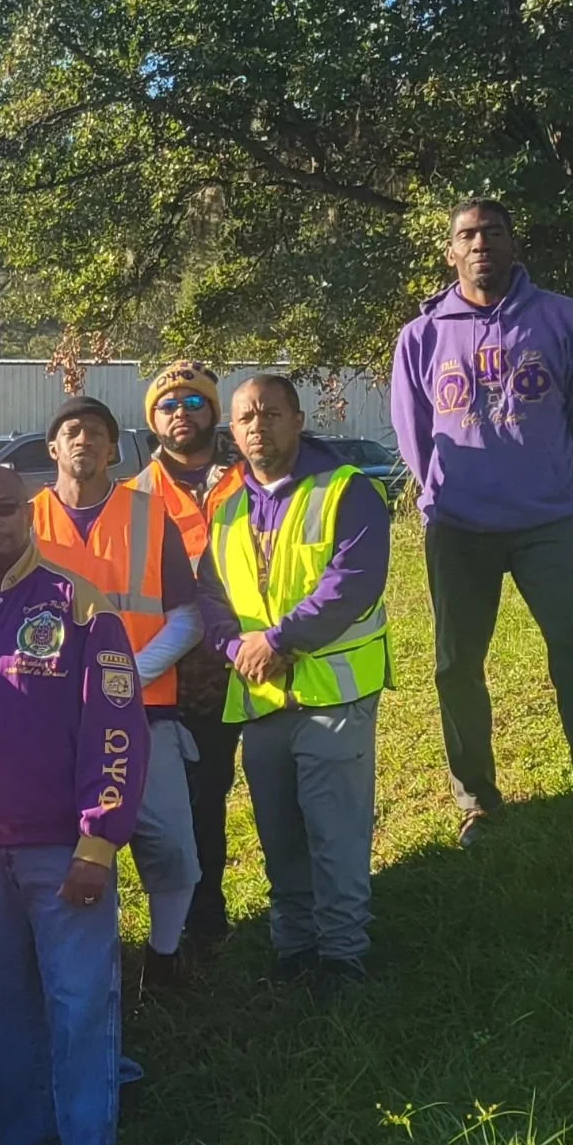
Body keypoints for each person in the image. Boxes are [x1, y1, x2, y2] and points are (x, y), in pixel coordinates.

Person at [0, 466, 148, 1145]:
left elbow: (117, 732)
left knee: (79, 1004)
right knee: (1, 1007)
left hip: (62, 853)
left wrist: (98, 842)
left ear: (28, 515)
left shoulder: (79, 607)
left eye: (3, 509)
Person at [199, 376, 392, 992]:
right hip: (262, 699)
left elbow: (353, 581)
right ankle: (294, 948)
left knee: (335, 835)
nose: (258, 425)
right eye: (246, 417)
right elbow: (211, 599)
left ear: (298, 419)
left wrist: (278, 641)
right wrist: (238, 648)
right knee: (279, 837)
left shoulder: (346, 490)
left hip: (335, 696)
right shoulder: (227, 508)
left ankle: (342, 955)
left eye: (271, 413)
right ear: (234, 432)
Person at [391, 198, 573, 848]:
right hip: (460, 527)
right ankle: (478, 801)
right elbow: (413, 434)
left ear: (513, 242)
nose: (480, 244)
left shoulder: (560, 318)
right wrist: (445, 495)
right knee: (455, 665)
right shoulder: (422, 336)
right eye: (467, 235)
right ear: (450, 252)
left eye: (493, 232)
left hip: (552, 521)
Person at [31, 397, 204, 984]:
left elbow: (187, 617)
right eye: (71, 430)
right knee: (67, 852)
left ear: (113, 449)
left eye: (96, 432)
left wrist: (125, 680)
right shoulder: (23, 520)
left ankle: (164, 956)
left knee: (172, 847)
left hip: (145, 715)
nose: (83, 439)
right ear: (53, 448)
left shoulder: (151, 516)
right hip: (53, 724)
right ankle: (83, 964)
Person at [132, 363, 247, 941]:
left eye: (195, 402)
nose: (182, 412)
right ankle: (200, 925)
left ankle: (299, 912)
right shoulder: (133, 497)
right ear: (153, 419)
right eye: (169, 404)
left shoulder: (251, 478)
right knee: (196, 803)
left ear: (215, 412)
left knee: (274, 794)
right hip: (179, 676)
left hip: (256, 659)